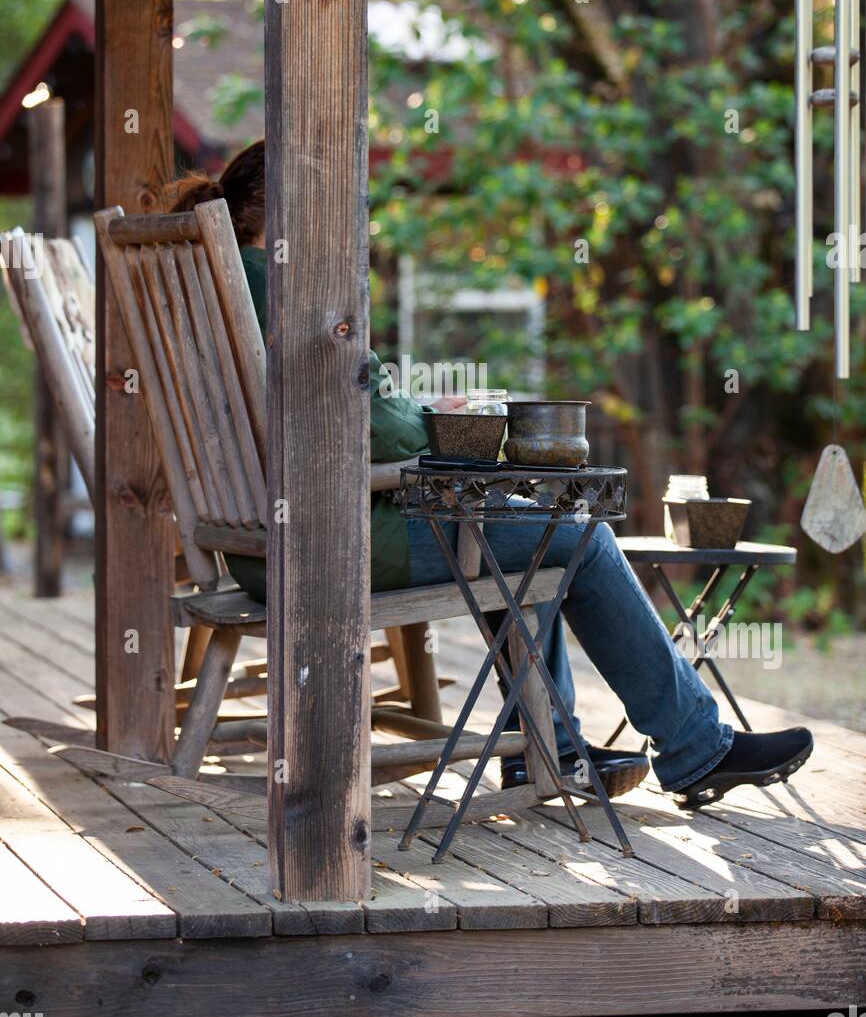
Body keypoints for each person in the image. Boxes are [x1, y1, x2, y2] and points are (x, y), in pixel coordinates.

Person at [167, 143, 814, 809]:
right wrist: (442, 424)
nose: (350, 229)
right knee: (578, 535)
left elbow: (341, 411)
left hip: (260, 546)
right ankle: (694, 749)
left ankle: (548, 748)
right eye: (339, 208)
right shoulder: (282, 285)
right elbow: (375, 430)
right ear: (295, 211)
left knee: (524, 534)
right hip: (336, 542)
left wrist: (410, 409)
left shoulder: (211, 283)